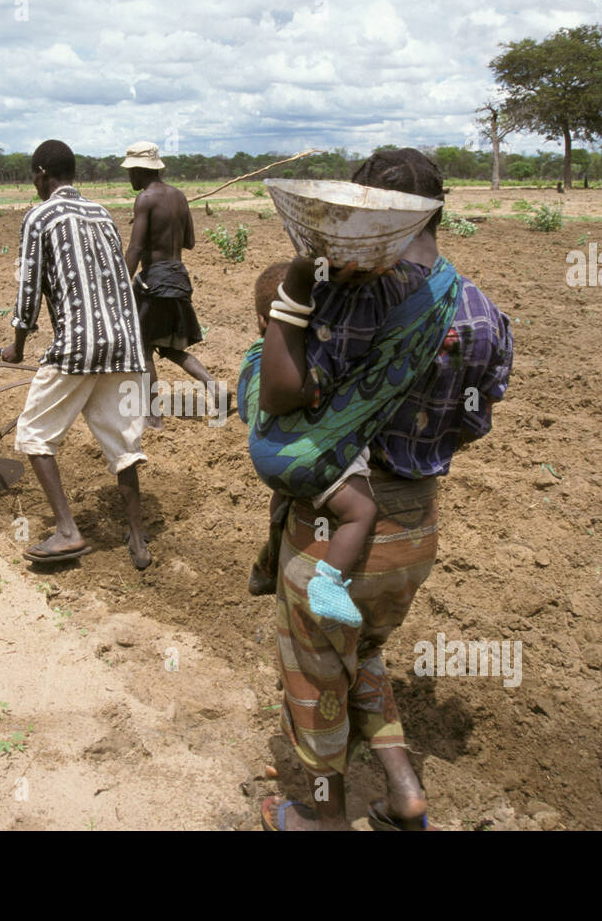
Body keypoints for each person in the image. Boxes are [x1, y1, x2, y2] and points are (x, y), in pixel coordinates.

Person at [243, 148, 513, 831]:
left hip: (335, 531)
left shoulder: (356, 296)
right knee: (363, 652)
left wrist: (300, 280)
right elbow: (474, 423)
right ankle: (403, 792)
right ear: (440, 211)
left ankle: (321, 814)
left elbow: (280, 390)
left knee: (314, 678)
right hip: (416, 527)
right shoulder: (484, 313)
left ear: (366, 217)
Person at [0, 140, 153, 570]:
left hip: (78, 346)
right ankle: (138, 538)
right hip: (124, 343)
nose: (34, 182)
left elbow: (28, 288)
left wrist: (18, 346)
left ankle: (67, 532)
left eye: (33, 175)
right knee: (122, 442)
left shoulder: (40, 216)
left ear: (43, 172)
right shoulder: (102, 214)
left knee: (34, 432)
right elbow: (120, 275)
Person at [245, 264, 377, 626]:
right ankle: (329, 581)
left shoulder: (254, 358)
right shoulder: (322, 355)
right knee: (360, 512)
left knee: (284, 494)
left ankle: (272, 549)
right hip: (307, 460)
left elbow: (246, 406)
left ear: (260, 322)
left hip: (266, 458)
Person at [120, 141, 220, 428]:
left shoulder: (146, 199)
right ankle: (214, 388)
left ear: (141, 171)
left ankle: (153, 417)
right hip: (178, 278)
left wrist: (119, 285)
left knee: (143, 349)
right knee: (170, 347)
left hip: (156, 282)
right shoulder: (179, 196)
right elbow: (189, 242)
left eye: (131, 172)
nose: (130, 178)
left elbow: (135, 249)